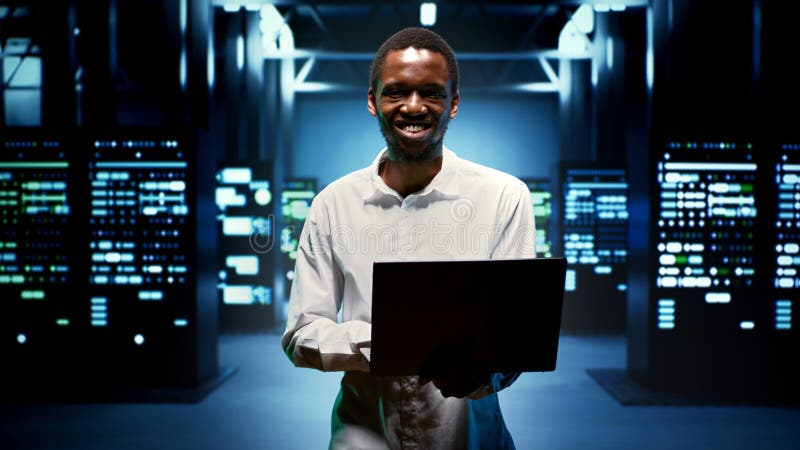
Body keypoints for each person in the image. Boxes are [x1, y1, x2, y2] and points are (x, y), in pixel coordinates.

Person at [281, 27, 536, 449]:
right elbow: (301, 334)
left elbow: (514, 337)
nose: (413, 107)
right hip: (365, 435)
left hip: (468, 437)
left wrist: (485, 371)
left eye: (432, 93)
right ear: (372, 100)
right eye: (396, 92)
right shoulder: (332, 204)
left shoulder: (504, 197)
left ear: (453, 103)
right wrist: (386, 343)